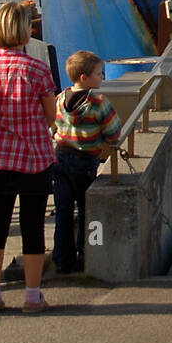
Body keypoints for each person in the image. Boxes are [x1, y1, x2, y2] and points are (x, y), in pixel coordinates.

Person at [0, 2, 56, 314]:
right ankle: (32, 297)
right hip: (34, 157)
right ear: (25, 32)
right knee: (32, 226)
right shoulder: (37, 69)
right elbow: (51, 116)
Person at [52, 50, 121, 274]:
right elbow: (113, 131)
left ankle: (62, 260)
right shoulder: (99, 102)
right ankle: (88, 253)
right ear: (84, 77)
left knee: (63, 211)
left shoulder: (60, 98)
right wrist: (110, 141)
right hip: (86, 163)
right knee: (88, 210)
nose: (103, 77)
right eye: (99, 74)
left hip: (61, 159)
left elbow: (52, 126)